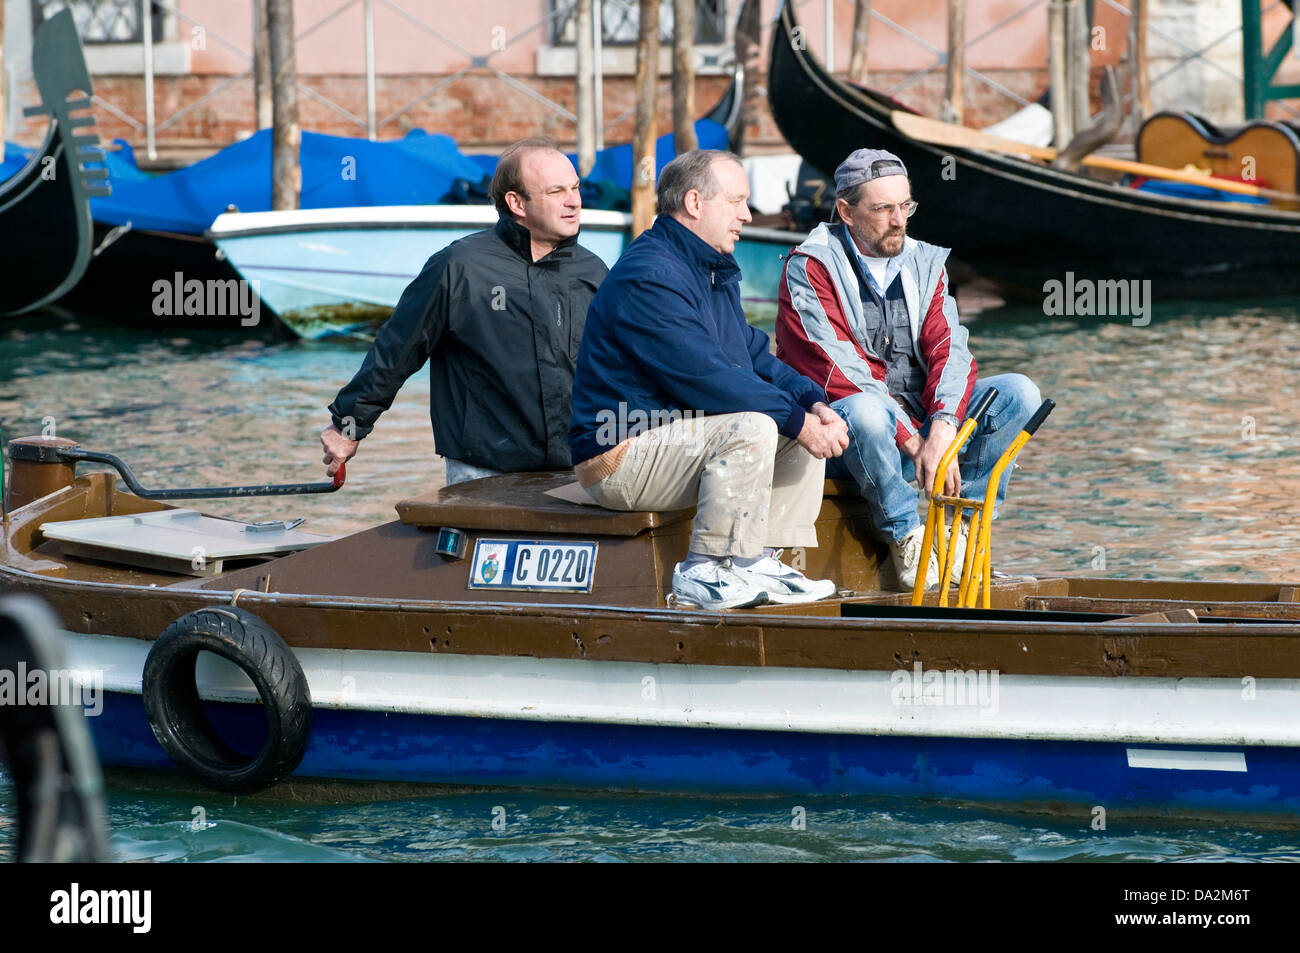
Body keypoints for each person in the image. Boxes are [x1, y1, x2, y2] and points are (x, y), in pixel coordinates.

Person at [569, 149, 850, 610]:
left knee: (799, 426)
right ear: (696, 203)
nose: (747, 214)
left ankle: (757, 560)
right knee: (760, 424)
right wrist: (795, 419)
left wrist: (814, 404)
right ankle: (704, 570)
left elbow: (755, 354)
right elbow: (705, 379)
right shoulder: (650, 276)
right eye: (737, 201)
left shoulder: (710, 269)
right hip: (618, 453)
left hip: (675, 442)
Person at [775, 148, 1041, 591]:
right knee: (863, 409)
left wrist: (942, 428)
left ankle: (957, 534)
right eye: (882, 209)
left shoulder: (924, 261)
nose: (899, 220)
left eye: (906, 205)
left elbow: (950, 350)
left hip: (922, 425)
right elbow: (841, 371)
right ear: (845, 210)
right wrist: (915, 443)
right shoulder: (809, 267)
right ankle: (906, 536)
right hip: (849, 438)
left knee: (1018, 393)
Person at [320, 138, 608, 485]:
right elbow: (397, 349)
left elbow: (619, 367)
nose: (573, 201)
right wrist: (347, 426)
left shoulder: (593, 273)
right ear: (516, 203)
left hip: (577, 467)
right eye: (556, 191)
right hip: (483, 469)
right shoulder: (459, 267)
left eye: (575, 188)